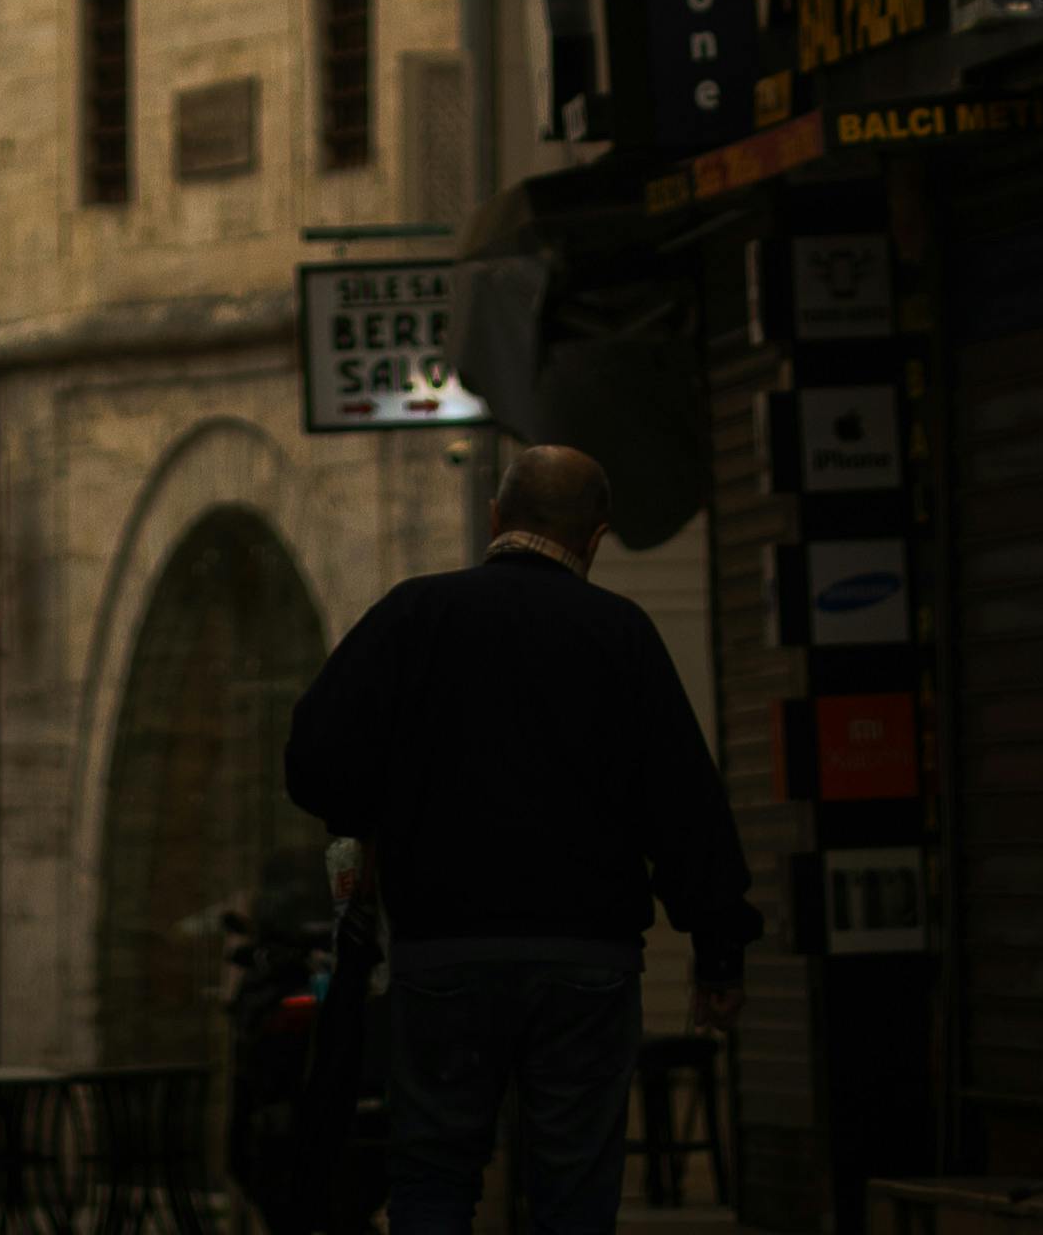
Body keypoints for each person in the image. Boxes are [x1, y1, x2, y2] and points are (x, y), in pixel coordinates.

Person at [282, 445, 749, 1235]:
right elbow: (683, 803)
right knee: (575, 1183)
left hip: (444, 954)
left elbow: (314, 760)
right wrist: (719, 945)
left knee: (433, 1170)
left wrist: (379, 811)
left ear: (497, 519)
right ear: (596, 538)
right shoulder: (620, 634)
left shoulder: (413, 616)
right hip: (585, 964)